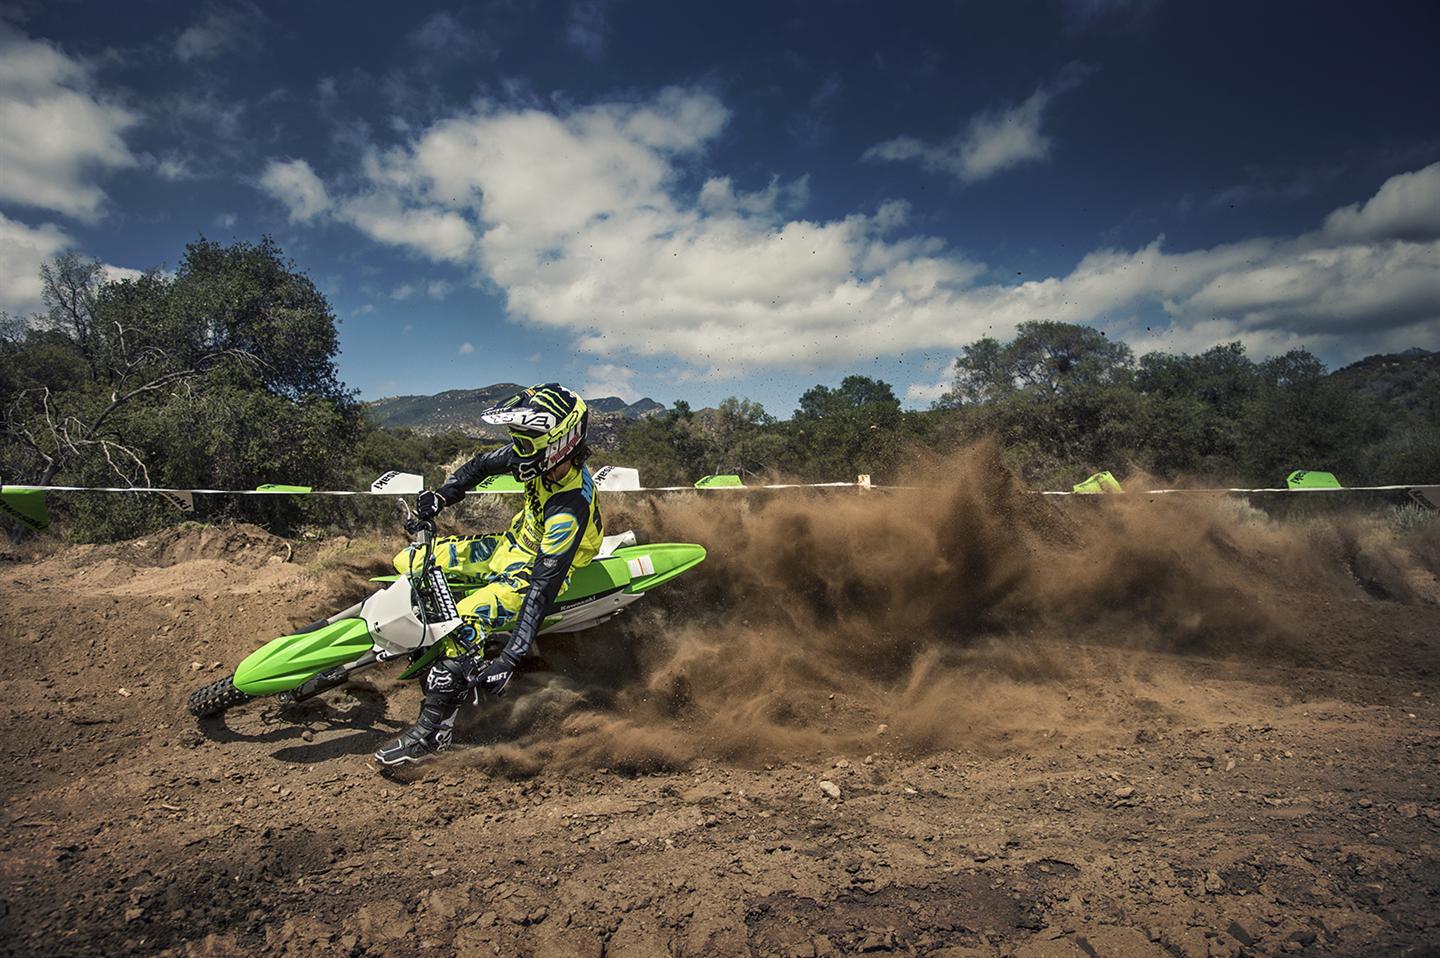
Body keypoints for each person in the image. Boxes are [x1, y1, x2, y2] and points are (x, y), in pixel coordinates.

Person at [374, 383, 603, 766]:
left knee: (461, 626)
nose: (519, 446)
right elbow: (481, 464)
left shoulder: (569, 505)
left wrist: (512, 655)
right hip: (509, 545)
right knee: (409, 560)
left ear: (561, 440)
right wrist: (445, 494)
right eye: (518, 437)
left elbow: (544, 585)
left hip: (543, 567)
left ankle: (435, 733)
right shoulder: (537, 459)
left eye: (528, 438)